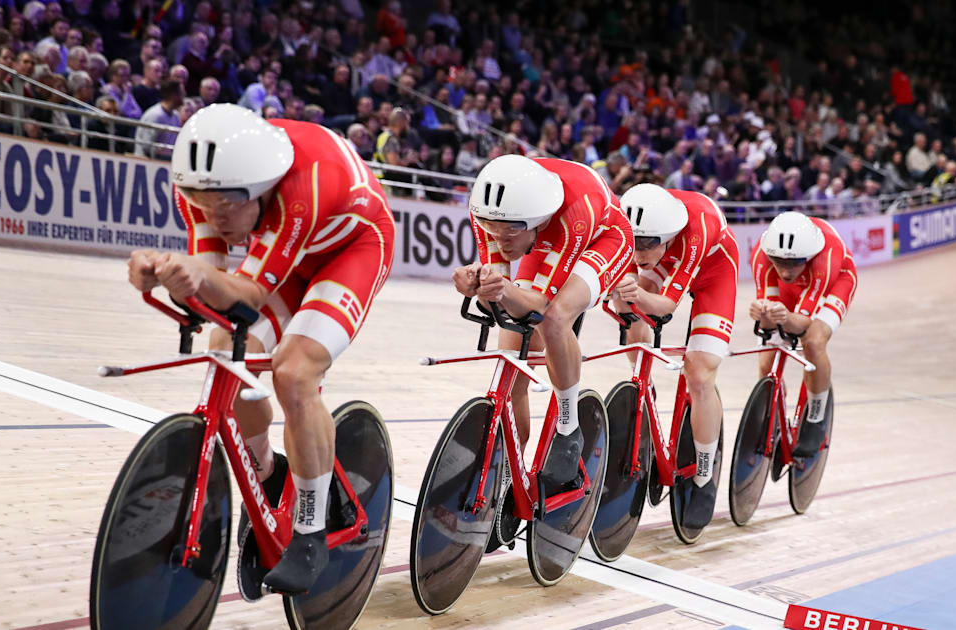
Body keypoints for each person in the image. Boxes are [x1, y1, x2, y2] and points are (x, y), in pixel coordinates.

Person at [125, 104, 396, 593]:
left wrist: (198, 274)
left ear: (260, 188)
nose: (213, 216)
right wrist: (163, 271)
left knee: (294, 373)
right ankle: (269, 471)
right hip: (286, 253)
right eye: (199, 202)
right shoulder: (210, 186)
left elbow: (245, 293)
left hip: (350, 250)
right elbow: (210, 284)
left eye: (226, 207)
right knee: (224, 346)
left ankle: (310, 529)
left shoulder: (301, 189)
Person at [452, 155, 633, 485]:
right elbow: (501, 297)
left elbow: (539, 305)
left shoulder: (573, 215)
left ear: (534, 221)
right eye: (491, 229)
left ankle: (568, 427)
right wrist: (478, 285)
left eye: (507, 231)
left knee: (553, 318)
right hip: (542, 232)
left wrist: (502, 289)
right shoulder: (494, 214)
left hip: (601, 236)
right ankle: (507, 475)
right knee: (511, 357)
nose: (499, 239)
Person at [613, 183, 738, 529]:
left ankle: (703, 471)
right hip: (668, 262)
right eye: (634, 243)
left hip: (714, 273)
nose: (639, 252)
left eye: (647, 244)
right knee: (629, 311)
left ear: (667, 235)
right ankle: (643, 391)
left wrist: (633, 291)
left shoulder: (697, 226)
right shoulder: (638, 227)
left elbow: (667, 305)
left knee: (699, 375)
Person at [748, 211, 857, 458]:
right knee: (767, 362)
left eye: (794, 262)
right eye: (780, 262)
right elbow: (769, 324)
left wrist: (784, 317)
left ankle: (816, 417)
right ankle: (772, 418)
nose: (786, 271)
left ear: (808, 256)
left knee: (814, 341)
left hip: (835, 282)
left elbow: (803, 324)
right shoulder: (761, 256)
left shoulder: (826, 259)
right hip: (791, 291)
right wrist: (762, 312)